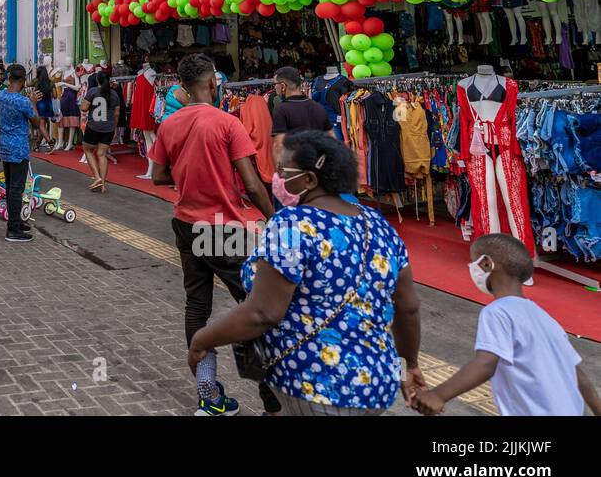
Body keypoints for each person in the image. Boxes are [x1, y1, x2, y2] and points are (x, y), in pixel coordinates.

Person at [186, 129, 424, 416]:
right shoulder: (377, 223)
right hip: (376, 385)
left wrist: (202, 340)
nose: (279, 179)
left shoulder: (292, 225)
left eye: (284, 172)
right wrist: (409, 366)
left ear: (310, 180)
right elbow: (408, 308)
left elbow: (262, 313)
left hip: (314, 385)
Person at [148, 53, 282, 416]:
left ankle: (208, 396)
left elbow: (159, 175)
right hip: (223, 230)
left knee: (197, 306)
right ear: (212, 83)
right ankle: (274, 401)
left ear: (183, 86)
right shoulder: (227, 123)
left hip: (186, 225)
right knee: (257, 308)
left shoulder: (170, 124)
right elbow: (253, 185)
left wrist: (193, 176)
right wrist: (277, 221)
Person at [414, 233, 601, 416]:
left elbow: (486, 364)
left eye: (473, 262)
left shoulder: (498, 312)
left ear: (486, 263)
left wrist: (438, 395)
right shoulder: (545, 318)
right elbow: (581, 379)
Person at [0, 64, 43, 243]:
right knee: (17, 189)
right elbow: (36, 122)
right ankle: (13, 229)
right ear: (23, 80)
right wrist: (33, 103)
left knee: (10, 187)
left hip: (4, 145)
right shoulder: (23, 102)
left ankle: (16, 221)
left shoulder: (1, 95)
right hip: (18, 148)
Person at [270, 66, 330, 157]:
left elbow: (279, 146)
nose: (274, 87)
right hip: (319, 165)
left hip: (296, 166)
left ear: (282, 86)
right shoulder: (318, 107)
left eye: (275, 84)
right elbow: (332, 139)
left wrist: (281, 170)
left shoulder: (281, 110)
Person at [80, 70, 121, 193]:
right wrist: (114, 128)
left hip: (93, 126)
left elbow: (83, 108)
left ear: (97, 80)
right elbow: (117, 114)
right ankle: (102, 184)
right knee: (102, 154)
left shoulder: (93, 91)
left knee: (87, 149)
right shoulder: (114, 94)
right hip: (108, 128)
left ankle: (97, 177)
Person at [56, 67, 81, 150]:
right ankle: (60, 142)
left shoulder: (74, 72)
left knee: (72, 119)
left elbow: (77, 87)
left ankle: (70, 143)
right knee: (60, 119)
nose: (67, 62)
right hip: (64, 96)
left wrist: (65, 84)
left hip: (72, 97)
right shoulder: (64, 72)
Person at [33, 64, 56, 149]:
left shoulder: (36, 81)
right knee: (44, 125)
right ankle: (37, 145)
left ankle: (50, 142)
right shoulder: (51, 83)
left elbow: (28, 85)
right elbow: (55, 96)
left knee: (41, 126)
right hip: (48, 105)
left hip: (40, 104)